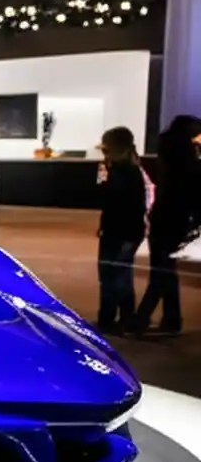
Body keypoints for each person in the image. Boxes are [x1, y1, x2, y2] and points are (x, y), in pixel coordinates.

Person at [134, 115, 201, 334]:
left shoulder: (170, 159)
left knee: (162, 271)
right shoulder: (189, 164)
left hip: (164, 217)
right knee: (165, 270)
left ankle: (144, 319)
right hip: (176, 219)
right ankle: (167, 319)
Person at [95, 126, 148, 334]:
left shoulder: (129, 173)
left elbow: (130, 207)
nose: (104, 155)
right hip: (113, 231)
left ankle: (123, 318)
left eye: (107, 151)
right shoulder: (115, 170)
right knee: (109, 275)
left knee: (119, 277)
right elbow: (106, 201)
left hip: (124, 233)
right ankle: (108, 317)